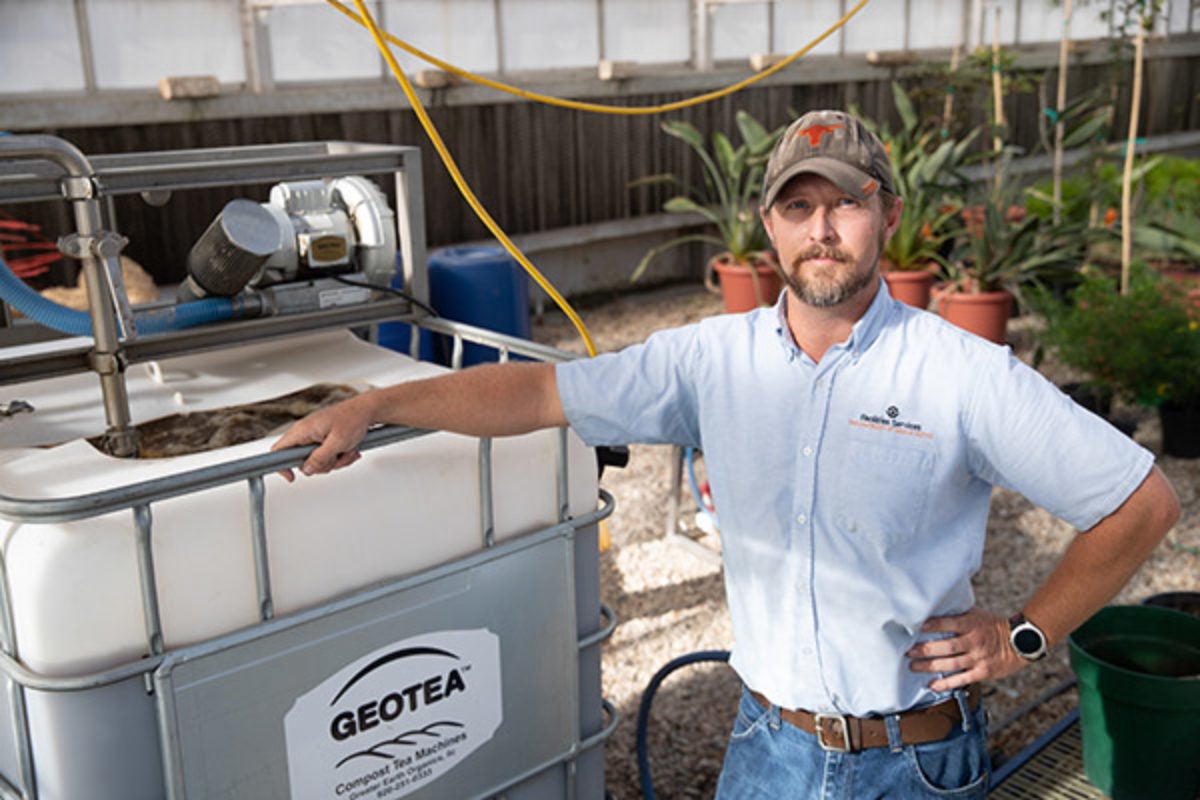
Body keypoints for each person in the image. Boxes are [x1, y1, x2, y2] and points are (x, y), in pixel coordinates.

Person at [272, 109, 1180, 798]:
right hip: (765, 751)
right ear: (769, 224)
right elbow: (540, 391)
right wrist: (379, 403)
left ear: (887, 216)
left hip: (915, 763)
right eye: (799, 206)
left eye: (846, 205)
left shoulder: (963, 374)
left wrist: (1024, 633)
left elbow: (1141, 503)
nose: (822, 229)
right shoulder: (710, 360)